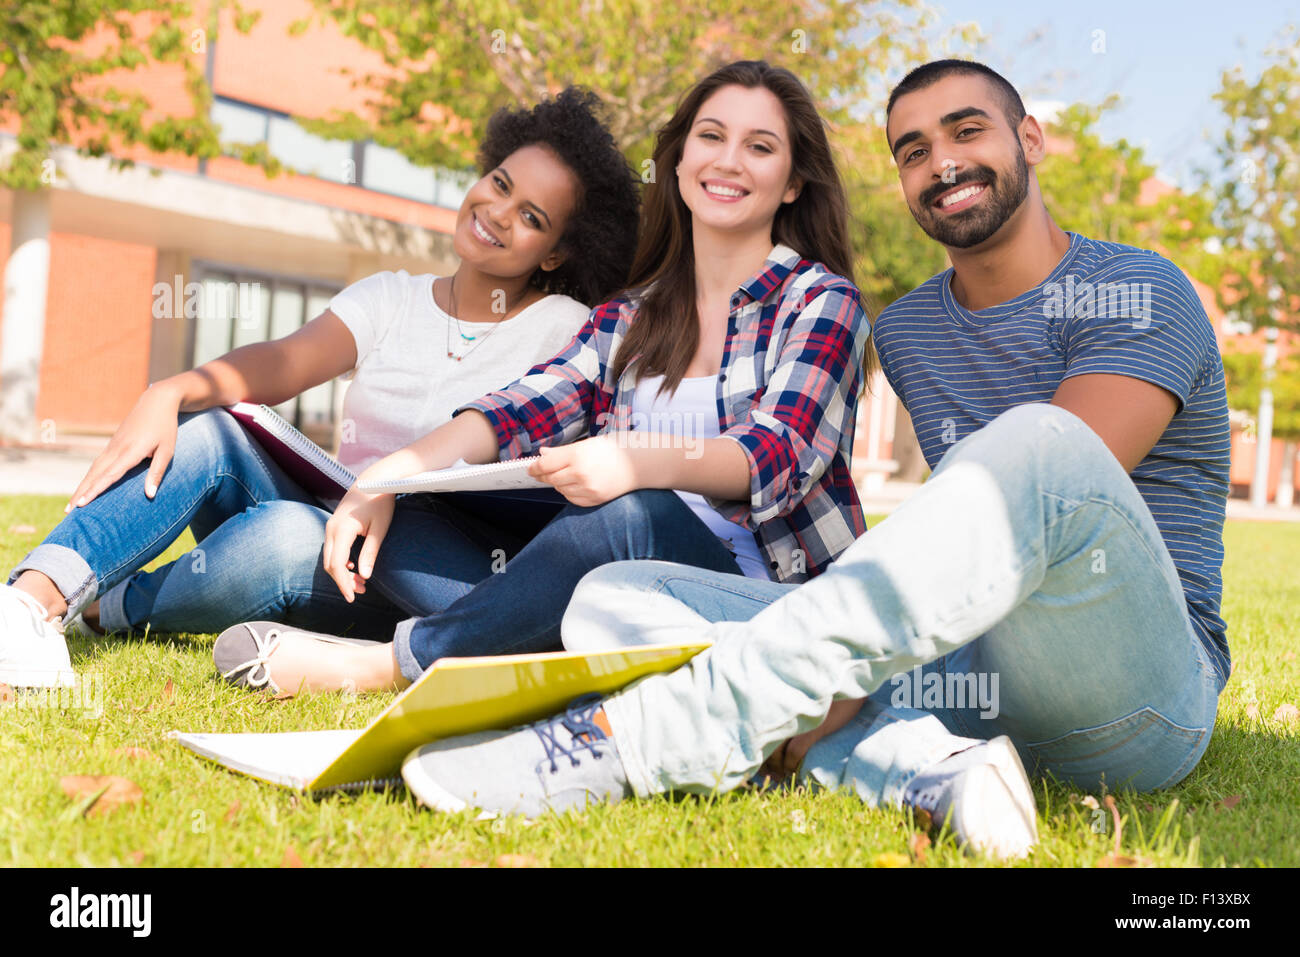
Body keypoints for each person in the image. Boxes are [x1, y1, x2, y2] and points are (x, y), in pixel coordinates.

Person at [395, 60, 1230, 862]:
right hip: (969, 679)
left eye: (967, 131)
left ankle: (660, 733)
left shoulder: (1138, 289)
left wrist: (832, 659)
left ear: (1031, 140)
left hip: (1136, 691)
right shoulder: (908, 330)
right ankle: (920, 772)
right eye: (912, 151)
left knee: (1039, 441)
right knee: (616, 594)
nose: (942, 162)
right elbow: (964, 543)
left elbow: (1044, 499)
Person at [210, 60, 873, 696]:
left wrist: (634, 460)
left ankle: (391, 663)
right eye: (710, 136)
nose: (727, 160)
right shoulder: (630, 317)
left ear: (791, 182)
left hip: (754, 598)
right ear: (678, 161)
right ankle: (532, 652)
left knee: (629, 512)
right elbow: (520, 409)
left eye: (759, 146)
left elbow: (779, 453)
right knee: (401, 508)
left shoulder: (819, 301)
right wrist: (390, 474)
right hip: (610, 597)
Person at [0, 88, 640, 689]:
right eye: (499, 184)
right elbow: (284, 360)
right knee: (209, 425)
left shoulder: (564, 331)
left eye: (530, 216)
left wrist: (389, 486)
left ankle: (107, 609)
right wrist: (170, 390)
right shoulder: (391, 296)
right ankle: (30, 604)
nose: (497, 212)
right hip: (330, 503)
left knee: (284, 536)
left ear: (555, 254)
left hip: (408, 567)